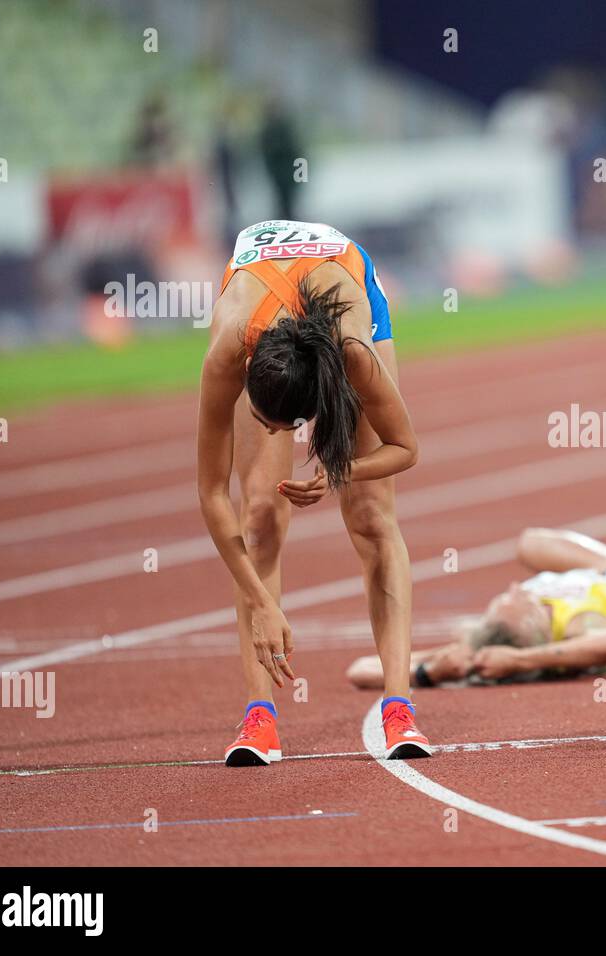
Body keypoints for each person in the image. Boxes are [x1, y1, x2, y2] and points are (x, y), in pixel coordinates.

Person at [197, 219, 430, 765]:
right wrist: (260, 603)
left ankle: (400, 708)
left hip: (344, 276)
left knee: (371, 516)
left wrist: (343, 467)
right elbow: (211, 492)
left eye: (287, 425)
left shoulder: (353, 352)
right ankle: (259, 718)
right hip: (260, 284)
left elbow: (405, 447)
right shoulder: (230, 352)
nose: (278, 436)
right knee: (260, 517)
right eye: (264, 422)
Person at [346, 528, 606, 688]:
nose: (514, 587)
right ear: (531, 621)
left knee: (528, 544)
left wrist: (425, 671)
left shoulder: (481, 640)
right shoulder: (574, 626)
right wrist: (520, 662)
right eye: (512, 600)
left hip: (594, 601)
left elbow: (361, 669)